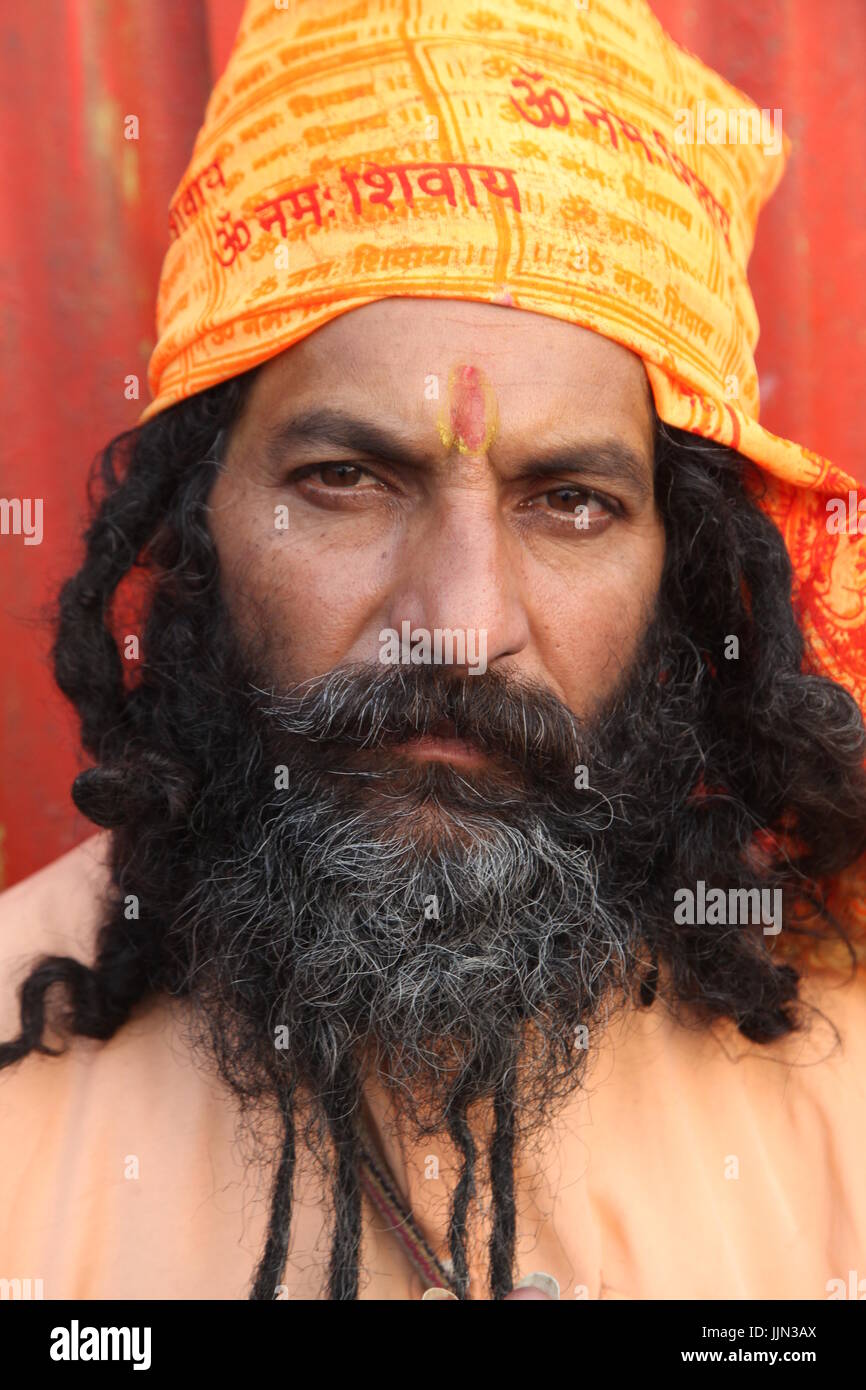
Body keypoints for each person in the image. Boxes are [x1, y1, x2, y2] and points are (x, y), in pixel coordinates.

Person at [1, 0, 865, 1303]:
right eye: (347, 476)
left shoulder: (838, 1073)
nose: (460, 623)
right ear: (200, 520)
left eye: (570, 500)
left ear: (679, 570)